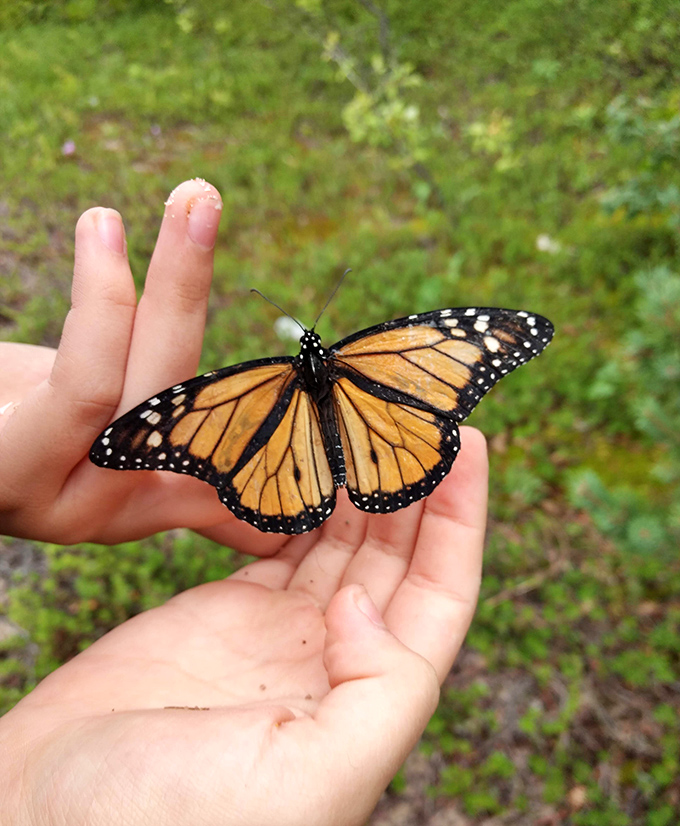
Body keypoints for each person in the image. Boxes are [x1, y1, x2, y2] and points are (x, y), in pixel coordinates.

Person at [0, 180, 488, 825]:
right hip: (365, 440)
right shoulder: (319, 370)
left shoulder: (257, 386)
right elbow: (181, 426)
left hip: (314, 454)